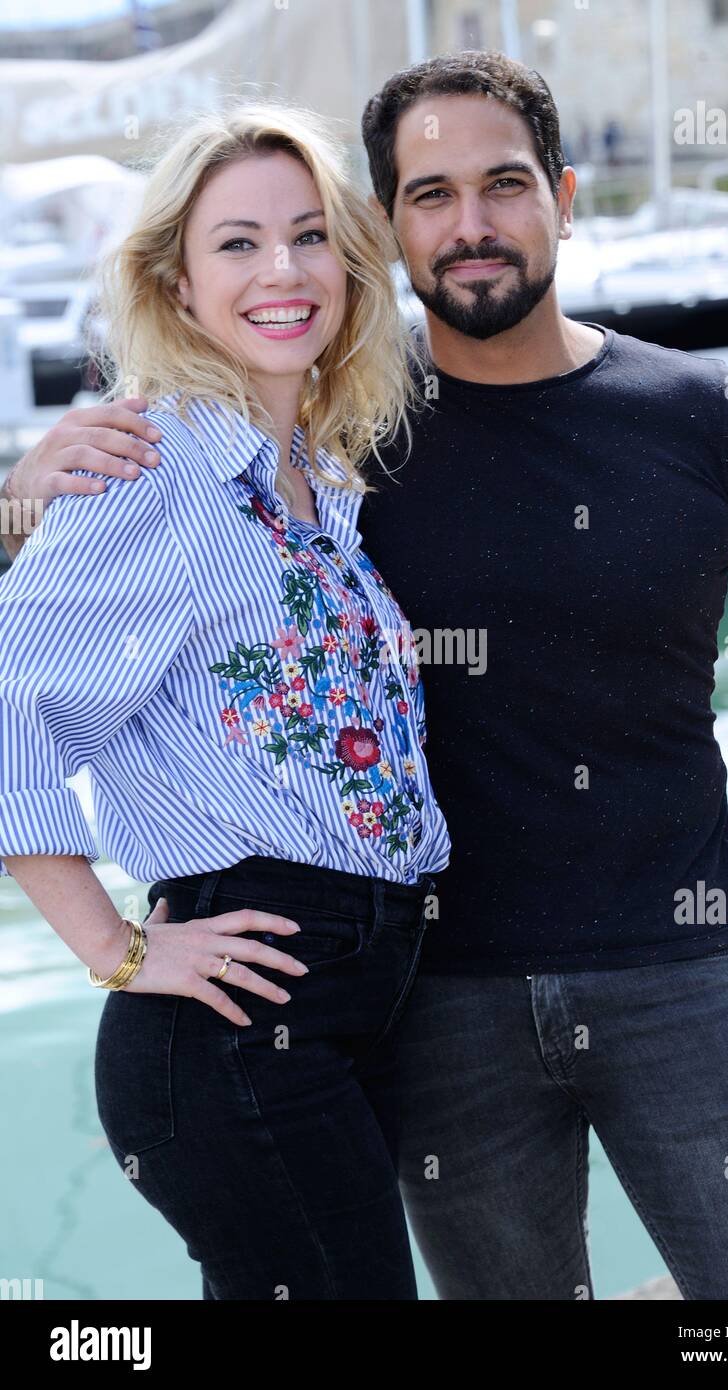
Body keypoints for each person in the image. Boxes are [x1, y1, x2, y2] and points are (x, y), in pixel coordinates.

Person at [3, 51, 728, 1300]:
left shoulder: (678, 418)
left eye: (503, 184)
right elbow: (38, 659)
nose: (469, 225)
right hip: (411, 1008)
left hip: (645, 976)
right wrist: (25, 493)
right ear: (391, 228)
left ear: (563, 196)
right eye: (427, 193)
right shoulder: (269, 442)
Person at [0, 102, 449, 1301]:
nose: (283, 270)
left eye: (309, 237)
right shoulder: (149, 466)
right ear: (179, 284)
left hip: (352, 996)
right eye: (238, 243)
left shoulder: (317, 477)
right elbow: (8, 704)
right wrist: (114, 946)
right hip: (235, 1018)